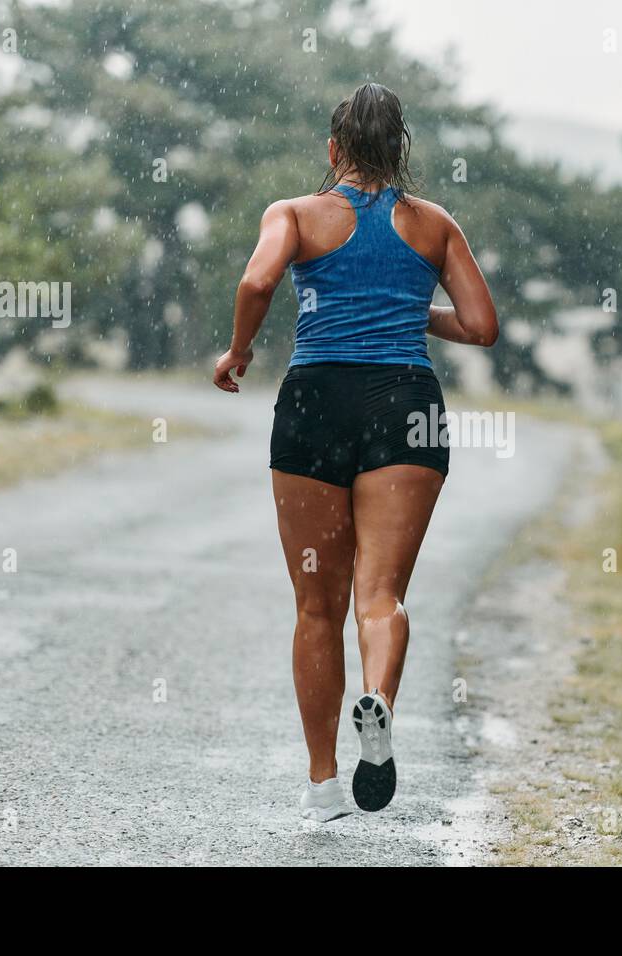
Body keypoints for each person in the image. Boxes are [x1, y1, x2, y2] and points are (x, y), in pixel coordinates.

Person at [213, 82, 498, 821]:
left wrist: (238, 351)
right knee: (382, 595)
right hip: (406, 405)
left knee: (317, 606)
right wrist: (404, 307)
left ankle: (322, 784)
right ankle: (379, 699)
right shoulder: (433, 225)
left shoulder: (295, 214)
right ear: (399, 150)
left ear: (333, 150)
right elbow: (480, 326)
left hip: (314, 403)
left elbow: (256, 279)